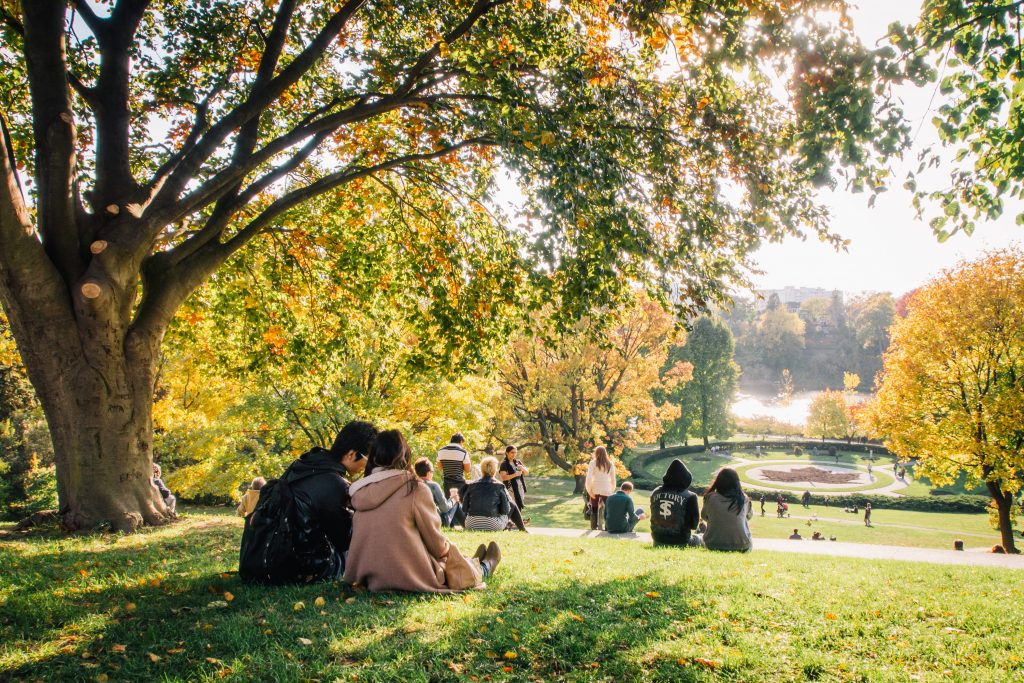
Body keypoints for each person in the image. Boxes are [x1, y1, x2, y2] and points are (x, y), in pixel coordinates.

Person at [345, 430, 500, 592]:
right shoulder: (414, 488)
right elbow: (437, 546)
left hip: (367, 576)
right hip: (409, 575)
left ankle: (470, 561)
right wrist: (449, 552)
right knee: (451, 565)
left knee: (449, 559)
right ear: (405, 456)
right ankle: (485, 566)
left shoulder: (359, 492)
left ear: (373, 458)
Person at [462, 457, 527, 532]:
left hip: (470, 524)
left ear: (482, 469)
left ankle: (510, 525)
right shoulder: (499, 486)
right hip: (492, 525)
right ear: (495, 470)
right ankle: (523, 530)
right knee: (512, 503)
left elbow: (464, 508)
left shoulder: (471, 485)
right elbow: (505, 510)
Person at [700, 468, 753, 552]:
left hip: (713, 544)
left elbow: (704, 516)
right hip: (742, 546)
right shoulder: (743, 498)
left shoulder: (710, 498)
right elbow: (749, 516)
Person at [649, 459, 700, 546]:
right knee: (699, 538)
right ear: (686, 479)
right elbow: (693, 525)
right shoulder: (691, 496)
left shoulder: (655, 492)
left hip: (657, 540)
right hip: (680, 541)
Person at [414, 458, 464, 528]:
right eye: (432, 471)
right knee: (456, 502)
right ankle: (466, 525)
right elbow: (445, 508)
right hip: (437, 522)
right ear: (428, 473)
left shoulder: (412, 485)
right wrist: (453, 499)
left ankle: (457, 525)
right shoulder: (433, 486)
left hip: (419, 521)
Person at [585, 446, 617, 531]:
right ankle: (607, 527)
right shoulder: (610, 463)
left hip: (595, 488)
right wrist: (611, 490)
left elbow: (589, 478)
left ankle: (593, 527)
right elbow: (613, 479)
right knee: (608, 509)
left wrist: (589, 490)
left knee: (594, 509)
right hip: (606, 488)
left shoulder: (593, 463)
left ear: (596, 453)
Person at [437, 433, 471, 502]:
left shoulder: (441, 451)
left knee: (449, 505)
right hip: (459, 483)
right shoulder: (463, 452)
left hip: (447, 483)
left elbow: (439, 468)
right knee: (460, 505)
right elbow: (468, 469)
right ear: (461, 441)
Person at [498, 445, 529, 510]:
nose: (514, 454)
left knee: (519, 507)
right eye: (512, 452)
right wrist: (515, 474)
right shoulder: (504, 464)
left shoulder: (518, 462)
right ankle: (514, 520)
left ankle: (519, 520)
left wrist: (522, 468)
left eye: (515, 452)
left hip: (520, 488)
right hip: (511, 489)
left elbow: (526, 473)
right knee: (512, 508)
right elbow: (503, 477)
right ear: (507, 453)